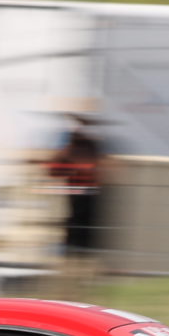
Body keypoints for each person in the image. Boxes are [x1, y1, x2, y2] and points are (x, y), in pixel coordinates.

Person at [45, 112, 107, 266]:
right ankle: (76, 260)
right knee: (79, 231)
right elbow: (54, 170)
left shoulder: (84, 147)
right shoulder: (80, 147)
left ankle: (77, 260)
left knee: (81, 231)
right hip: (81, 200)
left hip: (87, 199)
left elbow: (55, 170)